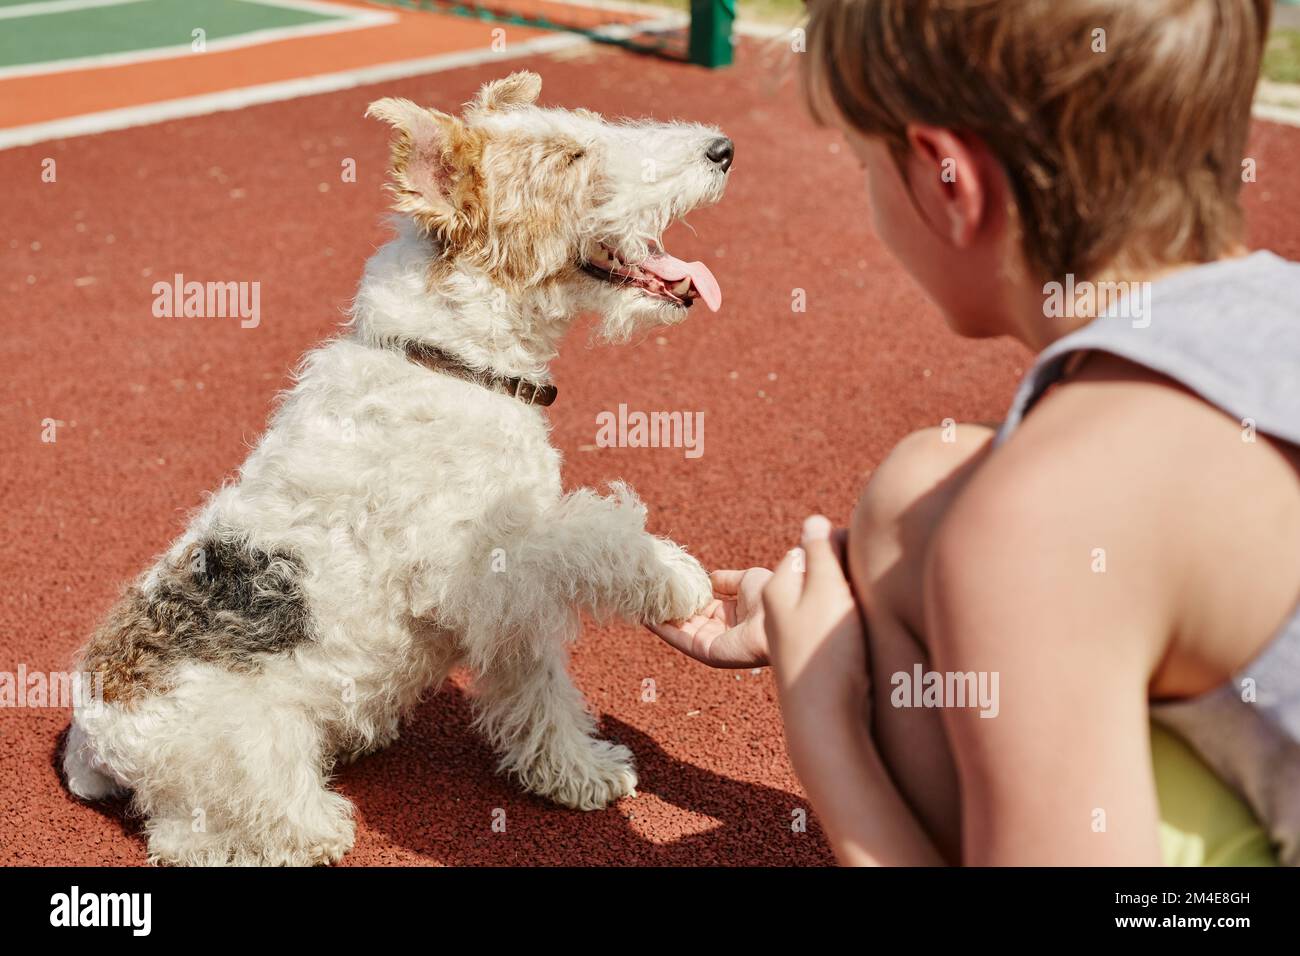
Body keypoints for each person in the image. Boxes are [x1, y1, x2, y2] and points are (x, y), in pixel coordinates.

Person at [651, 0, 1298, 865]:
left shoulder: (1036, 517)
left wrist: (825, 726)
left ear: (948, 180)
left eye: (861, 162)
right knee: (921, 496)